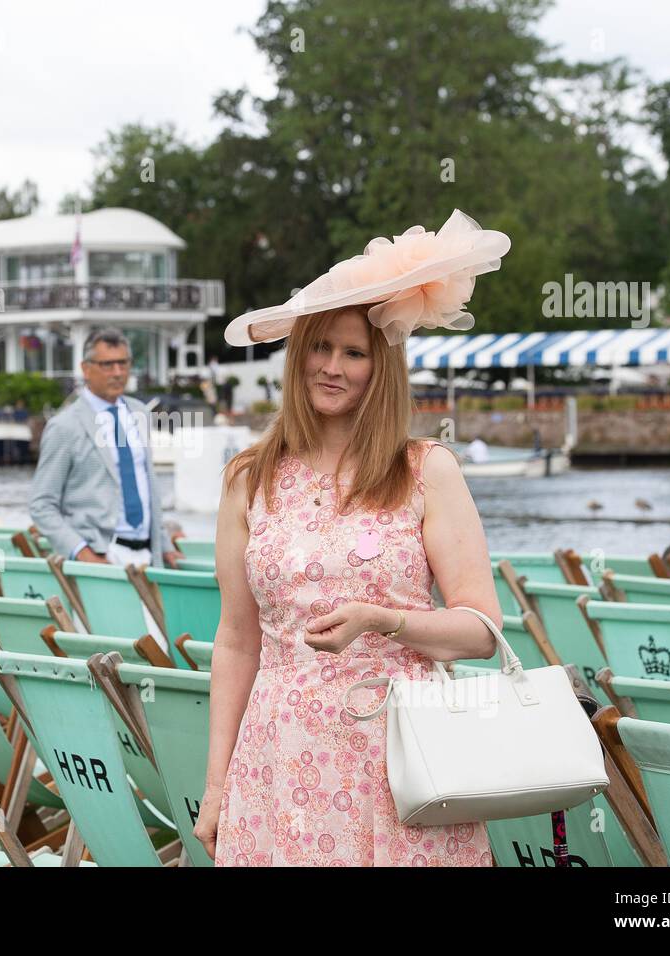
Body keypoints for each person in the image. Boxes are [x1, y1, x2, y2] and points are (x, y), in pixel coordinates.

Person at [198, 209, 511, 866]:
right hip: (278, 761)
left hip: (404, 759)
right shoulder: (249, 481)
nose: (331, 367)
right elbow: (235, 640)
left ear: (382, 365)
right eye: (318, 347)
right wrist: (216, 786)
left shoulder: (428, 471)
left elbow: (483, 630)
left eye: (353, 352)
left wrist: (384, 620)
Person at [29, 329, 183, 640]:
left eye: (123, 364)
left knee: (158, 653)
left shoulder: (139, 413)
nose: (117, 373)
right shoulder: (65, 426)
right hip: (99, 558)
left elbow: (147, 488)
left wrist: (166, 546)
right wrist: (82, 553)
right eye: (107, 365)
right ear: (86, 369)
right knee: (111, 659)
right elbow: (41, 504)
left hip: (148, 558)